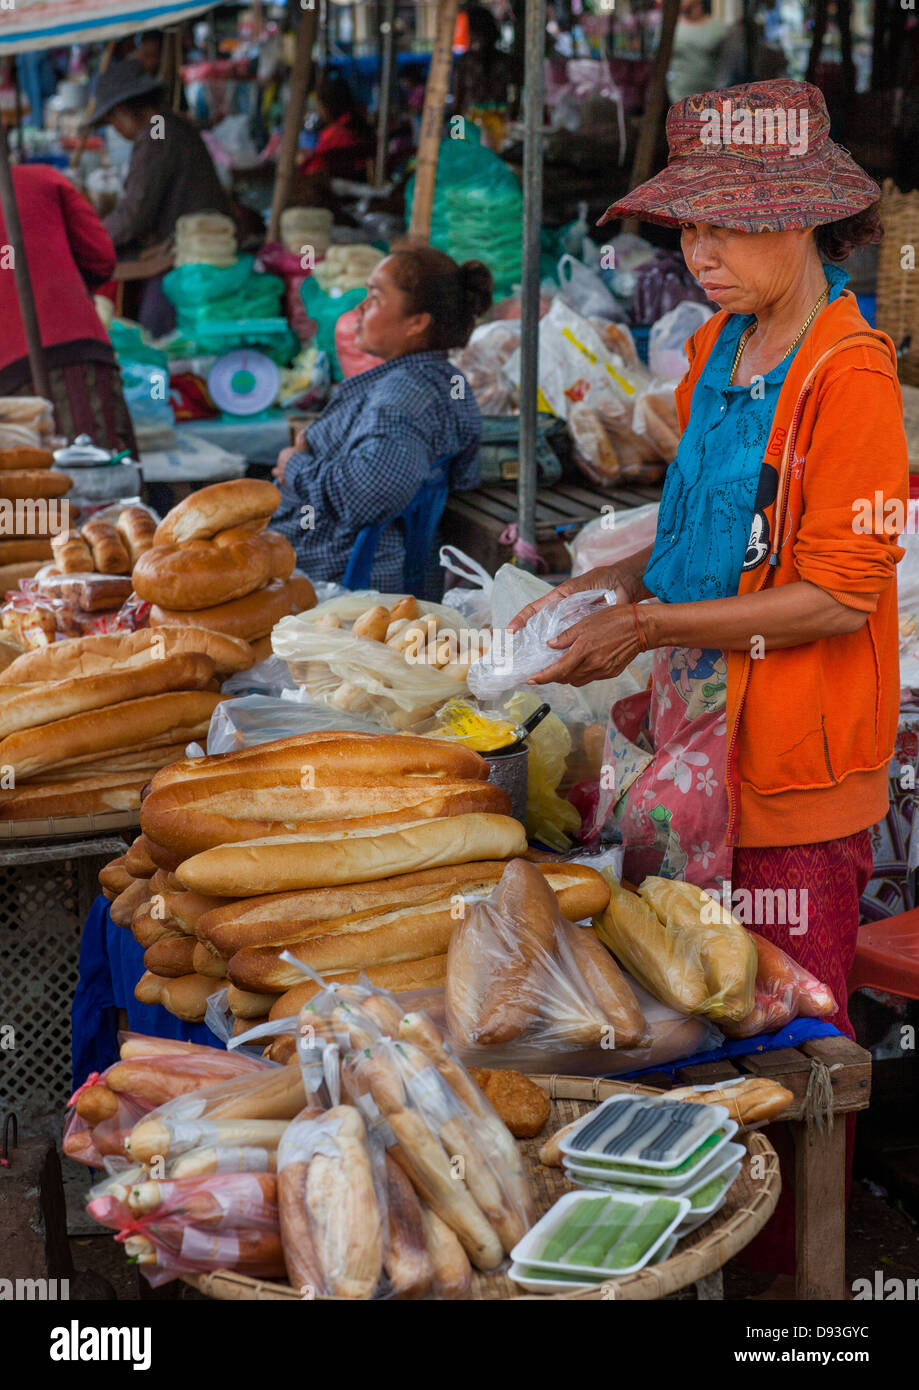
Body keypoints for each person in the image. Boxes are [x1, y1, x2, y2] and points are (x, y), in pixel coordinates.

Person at [508, 80, 908, 1291]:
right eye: (688, 229)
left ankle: (795, 1289)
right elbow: (693, 526)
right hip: (685, 754)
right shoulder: (723, 351)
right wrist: (596, 588)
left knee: (790, 1047)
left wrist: (642, 624)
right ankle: (716, 1252)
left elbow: (837, 596)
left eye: (725, 228)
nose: (701, 254)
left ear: (801, 224)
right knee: (697, 1034)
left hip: (790, 770)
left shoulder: (853, 381)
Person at [271, 246, 492, 589]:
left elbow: (368, 494)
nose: (359, 307)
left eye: (374, 297)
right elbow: (464, 477)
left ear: (417, 323)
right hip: (356, 567)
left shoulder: (405, 395)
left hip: (337, 582)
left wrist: (295, 466)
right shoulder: (447, 380)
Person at [0, 162, 136, 452]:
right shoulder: (43, 179)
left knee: (25, 488)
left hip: (24, 364)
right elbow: (100, 259)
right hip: (67, 348)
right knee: (95, 477)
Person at [89, 58, 231, 335]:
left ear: (123, 111)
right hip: (189, 247)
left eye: (112, 121)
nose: (115, 130)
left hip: (190, 258)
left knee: (157, 335)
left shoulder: (157, 132)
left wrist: (91, 238)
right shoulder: (169, 124)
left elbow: (134, 216)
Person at [453, 4, 521, 138]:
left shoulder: (466, 62)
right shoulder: (506, 61)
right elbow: (516, 99)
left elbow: (459, 102)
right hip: (499, 128)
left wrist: (457, 135)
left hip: (473, 130)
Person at [299, 72, 373, 182]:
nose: (319, 111)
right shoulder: (360, 125)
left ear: (327, 106)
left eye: (319, 106)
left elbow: (317, 169)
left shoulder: (334, 134)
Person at [667, 0, 728, 102]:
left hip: (711, 101)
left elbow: (727, 68)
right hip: (675, 100)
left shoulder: (719, 29)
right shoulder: (669, 27)